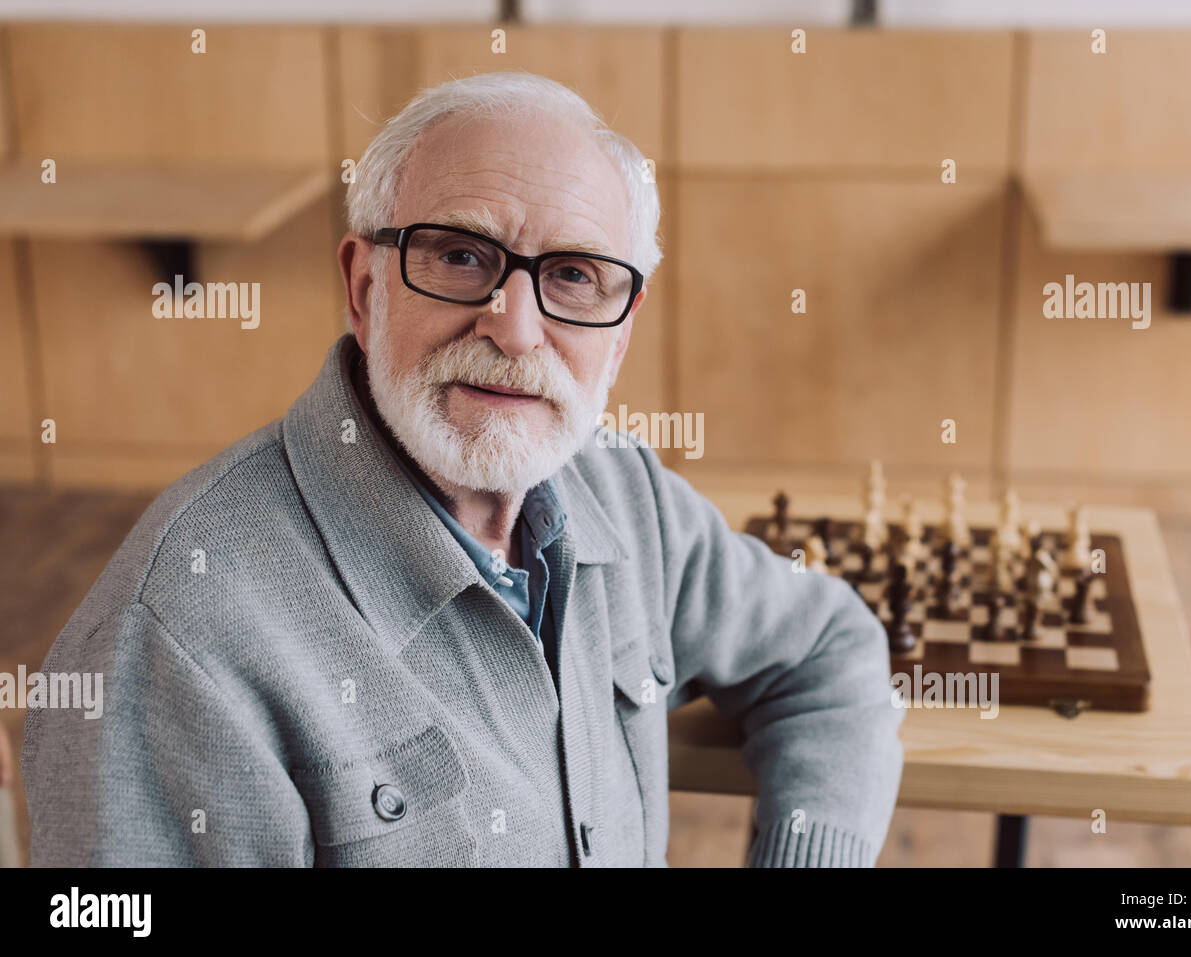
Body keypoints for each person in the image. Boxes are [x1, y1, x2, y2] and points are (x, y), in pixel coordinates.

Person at [22, 71, 903, 866]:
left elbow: (830, 650)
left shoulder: (624, 494)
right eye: (459, 255)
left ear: (621, 333)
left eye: (573, 276)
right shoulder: (178, 638)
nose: (515, 327)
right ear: (365, 287)